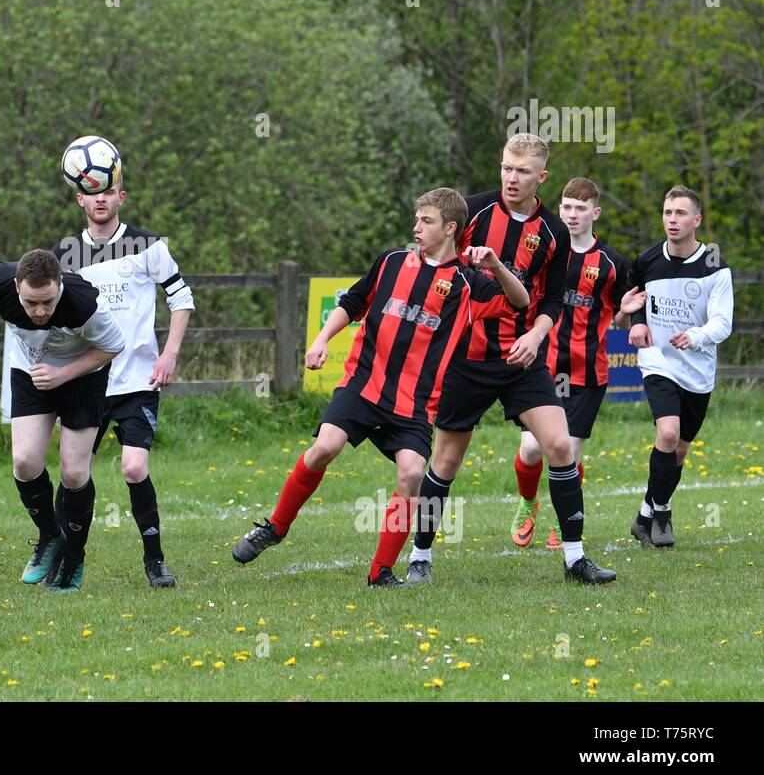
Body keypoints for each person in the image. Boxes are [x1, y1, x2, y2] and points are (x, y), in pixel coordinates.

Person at [231, 188, 529, 586]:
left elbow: (521, 301)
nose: (416, 227)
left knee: (411, 474)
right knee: (324, 448)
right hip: (363, 385)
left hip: (415, 404)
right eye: (416, 219)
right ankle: (275, 528)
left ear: (450, 229)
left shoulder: (468, 283)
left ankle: (381, 572)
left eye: (426, 221)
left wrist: (495, 264)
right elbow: (352, 302)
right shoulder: (391, 262)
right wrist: (321, 340)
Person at [405, 135, 616, 585]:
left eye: (522, 171)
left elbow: (554, 300)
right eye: (506, 168)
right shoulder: (472, 213)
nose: (511, 178)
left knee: (560, 446)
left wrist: (538, 336)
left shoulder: (554, 232)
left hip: (521, 358)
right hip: (466, 356)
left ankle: (575, 559)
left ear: (541, 176)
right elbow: (427, 264)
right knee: (445, 462)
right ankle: (420, 556)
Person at [53, 174, 194, 588]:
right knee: (72, 473)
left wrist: (169, 354)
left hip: (138, 381)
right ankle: (61, 557)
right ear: (80, 199)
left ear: (121, 197)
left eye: (108, 192)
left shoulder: (149, 246)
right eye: (92, 194)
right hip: (88, 381)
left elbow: (181, 298)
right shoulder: (67, 253)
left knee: (134, 468)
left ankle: (155, 561)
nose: (101, 200)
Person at [0, 249, 125, 592]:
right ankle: (50, 535)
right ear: (17, 286)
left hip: (83, 376)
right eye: (31, 303)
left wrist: (63, 374)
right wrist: (48, 374)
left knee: (74, 473)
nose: (40, 312)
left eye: (47, 301)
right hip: (31, 372)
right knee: (24, 461)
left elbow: (113, 346)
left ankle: (74, 557)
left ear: (59, 285)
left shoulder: (85, 303)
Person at [509, 177, 636, 548]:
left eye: (581, 208)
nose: (572, 214)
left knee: (568, 453)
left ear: (595, 213)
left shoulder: (612, 264)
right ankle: (528, 503)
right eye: (566, 206)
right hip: (541, 367)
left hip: (586, 372)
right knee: (532, 449)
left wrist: (626, 315)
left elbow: (620, 321)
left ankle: (562, 523)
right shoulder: (542, 251)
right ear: (558, 208)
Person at [627, 185, 733, 548]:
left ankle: (644, 516)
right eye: (668, 212)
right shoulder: (647, 260)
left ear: (696, 220)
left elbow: (723, 323)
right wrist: (637, 321)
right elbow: (633, 295)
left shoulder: (715, 266)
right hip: (658, 361)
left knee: (680, 450)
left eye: (680, 213)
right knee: (667, 434)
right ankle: (662, 514)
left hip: (698, 369)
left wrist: (696, 336)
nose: (672, 220)